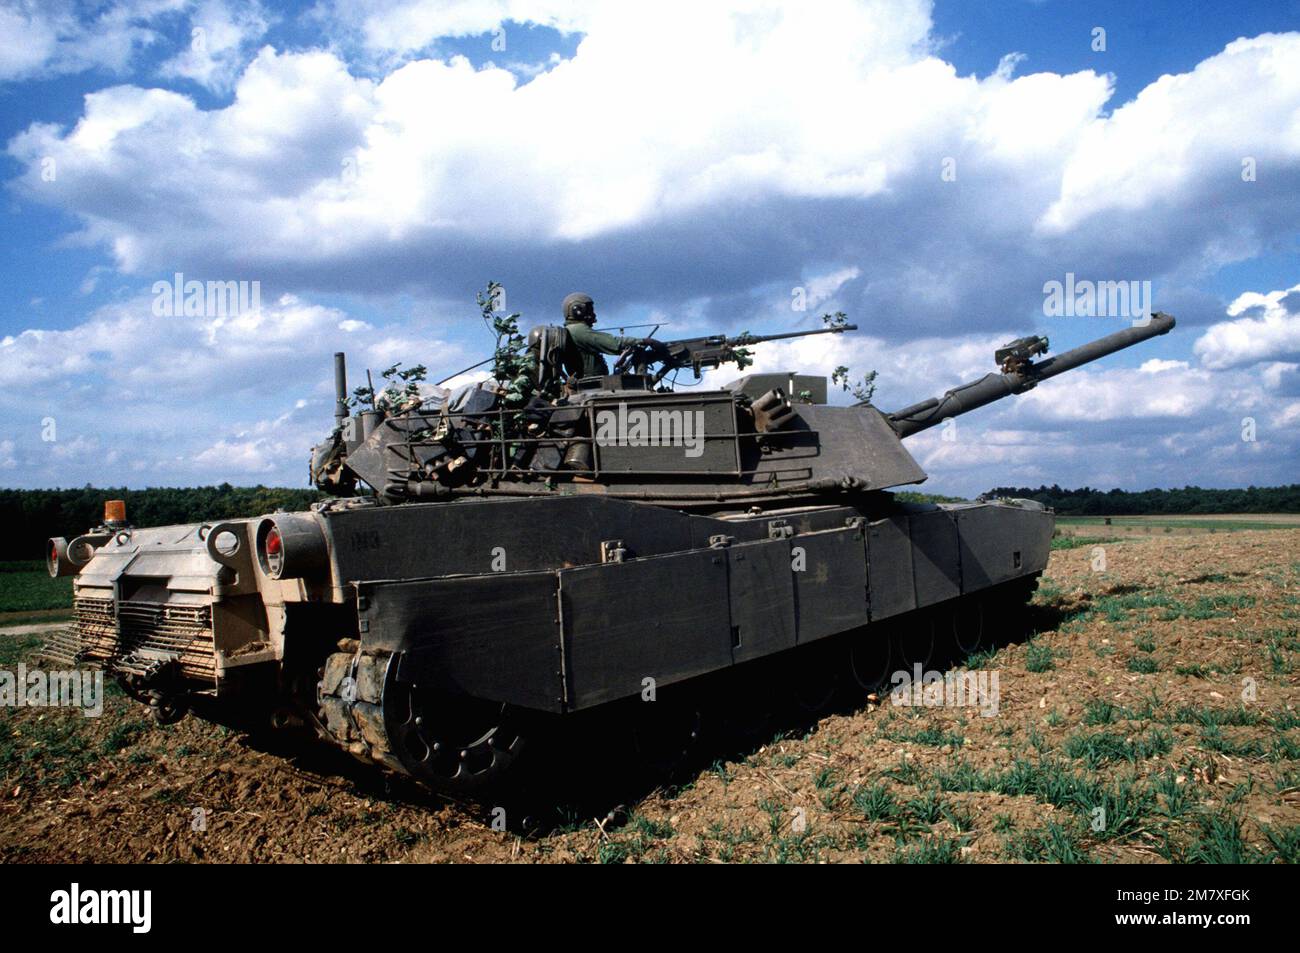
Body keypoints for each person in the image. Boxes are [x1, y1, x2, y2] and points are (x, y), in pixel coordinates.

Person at [561, 292, 655, 378]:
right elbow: (615, 344)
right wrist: (646, 341)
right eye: (589, 310)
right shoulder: (578, 330)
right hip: (593, 384)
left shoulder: (573, 329)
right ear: (578, 310)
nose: (593, 314)